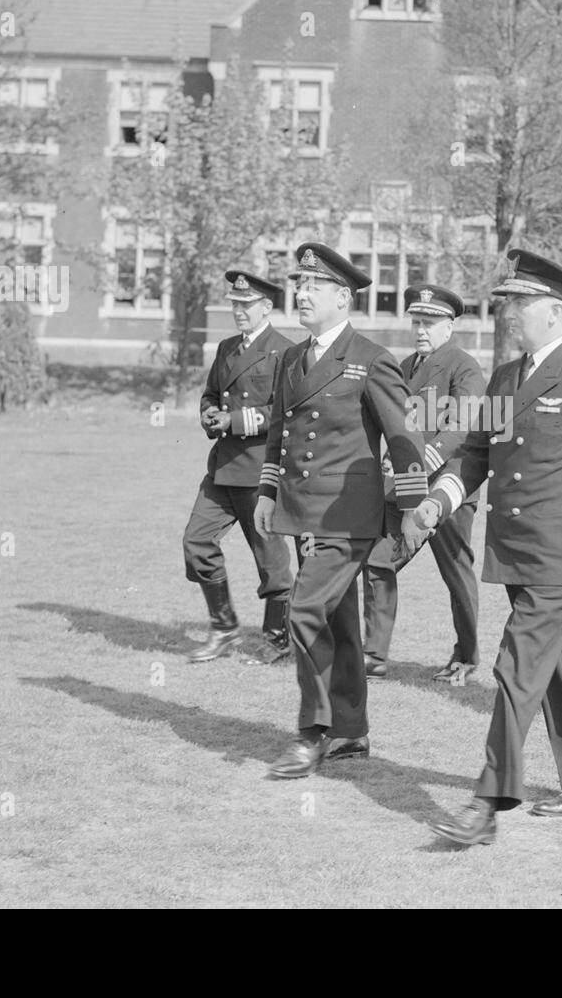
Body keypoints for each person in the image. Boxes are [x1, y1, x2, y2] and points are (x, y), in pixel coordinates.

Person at [402, 248, 562, 847]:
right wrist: (439, 498)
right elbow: (478, 453)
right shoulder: (506, 376)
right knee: (558, 664)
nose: (510, 314)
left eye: (520, 304)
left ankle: (487, 803)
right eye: (509, 304)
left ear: (556, 312)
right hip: (516, 549)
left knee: (516, 665)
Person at [255, 242, 428, 778]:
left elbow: (403, 437)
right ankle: (351, 733)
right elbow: (281, 429)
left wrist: (417, 506)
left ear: (343, 298)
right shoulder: (290, 357)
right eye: (298, 285)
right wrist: (266, 491)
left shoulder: (372, 360)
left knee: (303, 610)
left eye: (313, 288)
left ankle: (313, 731)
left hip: (350, 517)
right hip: (303, 511)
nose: (301, 295)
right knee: (338, 621)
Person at [361, 283, 485, 684]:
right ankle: (374, 655)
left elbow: (461, 429)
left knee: (455, 572)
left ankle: (466, 656)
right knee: (379, 561)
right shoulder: (403, 367)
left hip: (447, 489)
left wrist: (417, 467)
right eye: (416, 321)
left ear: (449, 326)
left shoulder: (464, 367)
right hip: (404, 486)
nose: (421, 330)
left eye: (430, 323)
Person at [182, 269, 296, 664]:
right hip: (223, 467)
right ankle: (224, 626)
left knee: (270, 559)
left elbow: (285, 411)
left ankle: (279, 638)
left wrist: (236, 421)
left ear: (266, 306)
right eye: (235, 304)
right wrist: (210, 414)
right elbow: (211, 393)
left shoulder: (285, 351)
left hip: (259, 469)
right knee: (196, 542)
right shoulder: (226, 347)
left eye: (246, 305)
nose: (239, 311)